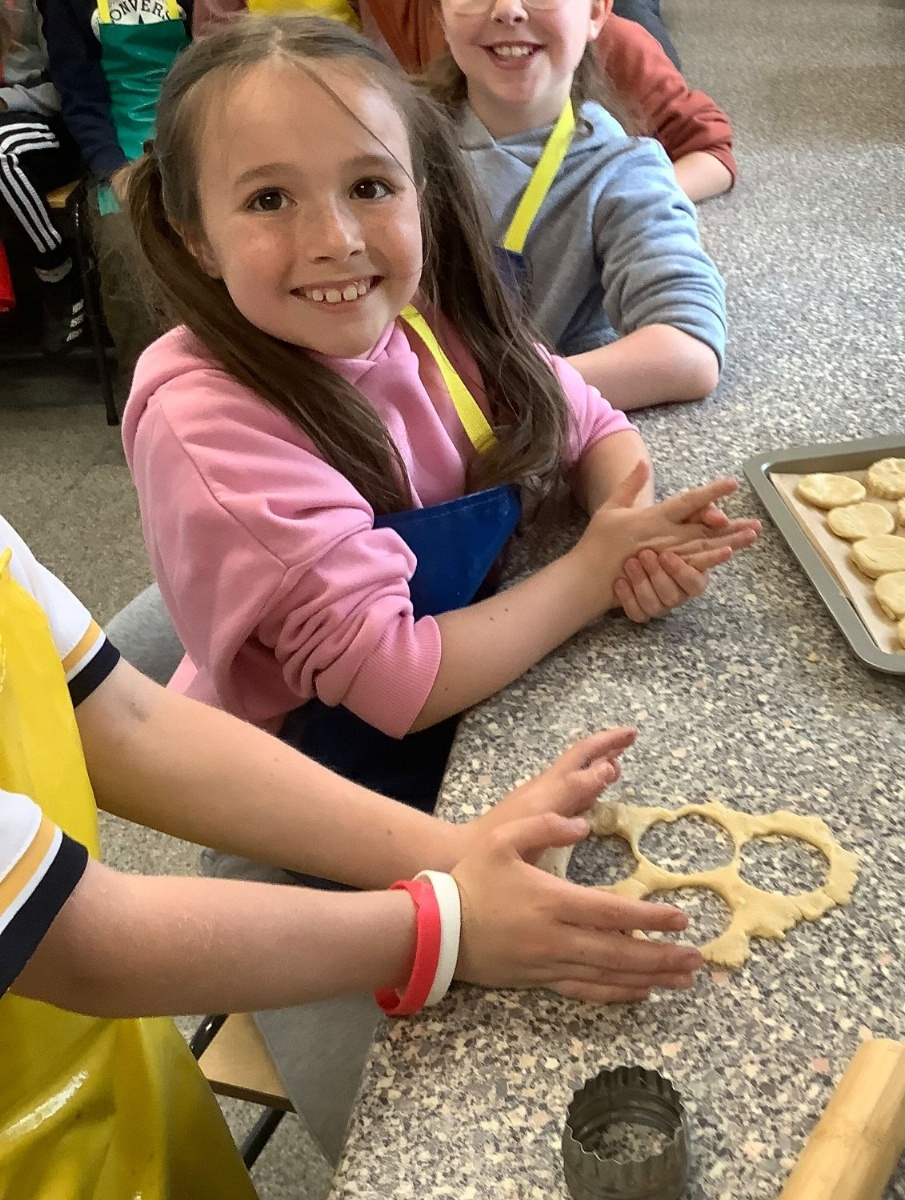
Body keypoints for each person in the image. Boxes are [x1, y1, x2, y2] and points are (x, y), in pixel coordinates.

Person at [119, 15, 758, 815]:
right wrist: (593, 573)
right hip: (308, 796)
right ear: (197, 240)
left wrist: (627, 532)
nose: (336, 239)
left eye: (369, 186)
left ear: (421, 190)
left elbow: (587, 420)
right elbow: (394, 678)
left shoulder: (428, 320)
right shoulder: (212, 426)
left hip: (461, 717)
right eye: (269, 199)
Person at [0, 511, 706, 1198]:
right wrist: (446, 927)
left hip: (110, 1082)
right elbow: (84, 939)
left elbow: (131, 723)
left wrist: (456, 853)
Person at [427, 0, 725, 411]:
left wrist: (492, 394)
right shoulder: (389, 137)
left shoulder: (621, 172)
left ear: (596, 13)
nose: (508, 9)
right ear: (440, 15)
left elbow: (688, 351)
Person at [189, 0, 735, 203]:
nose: (505, 9)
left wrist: (631, 198)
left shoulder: (613, 44)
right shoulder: (425, 101)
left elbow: (712, 149)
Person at [36, 0, 190, 392]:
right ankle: (152, 397)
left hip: (197, 134)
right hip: (119, 150)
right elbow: (79, 95)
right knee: (126, 245)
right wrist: (112, 168)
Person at [0, 0, 84, 353]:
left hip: (49, 116)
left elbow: (69, 82)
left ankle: (58, 273)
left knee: (0, 156)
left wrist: (5, 101)